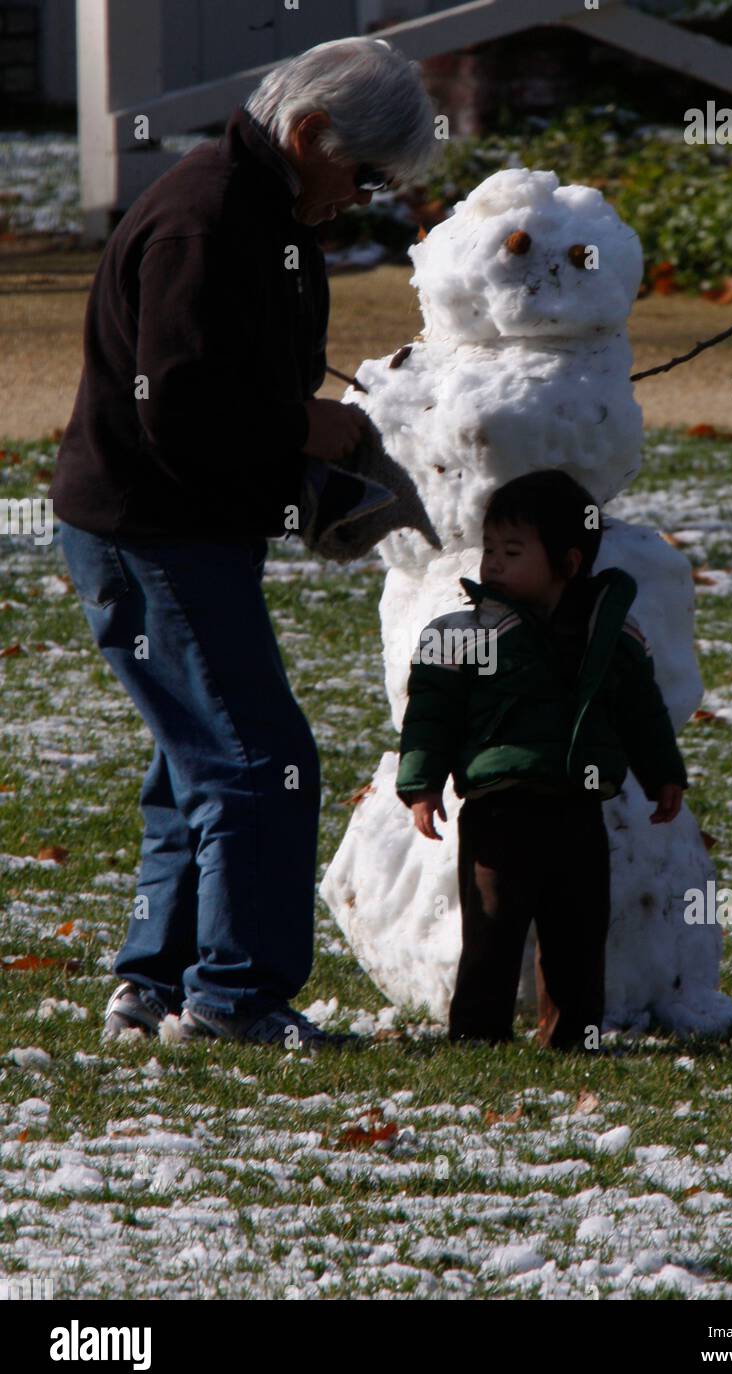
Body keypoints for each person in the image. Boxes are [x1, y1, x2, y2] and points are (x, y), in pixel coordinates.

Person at [50, 38, 440, 1050]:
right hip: (154, 533)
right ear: (309, 135)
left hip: (154, 526)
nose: (362, 199)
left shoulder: (251, 202)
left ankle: (156, 982)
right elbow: (177, 404)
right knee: (261, 760)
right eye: (361, 174)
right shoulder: (209, 218)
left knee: (196, 759)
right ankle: (234, 999)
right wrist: (299, 424)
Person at [395, 469, 689, 1051]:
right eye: (490, 550)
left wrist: (662, 775)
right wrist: (423, 784)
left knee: (578, 931)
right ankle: (478, 1035)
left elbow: (641, 712)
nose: (493, 564)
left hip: (578, 810)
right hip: (498, 811)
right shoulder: (465, 633)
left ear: (568, 562)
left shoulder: (611, 636)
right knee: (492, 928)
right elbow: (431, 713)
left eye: (512, 551)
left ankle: (573, 1036)